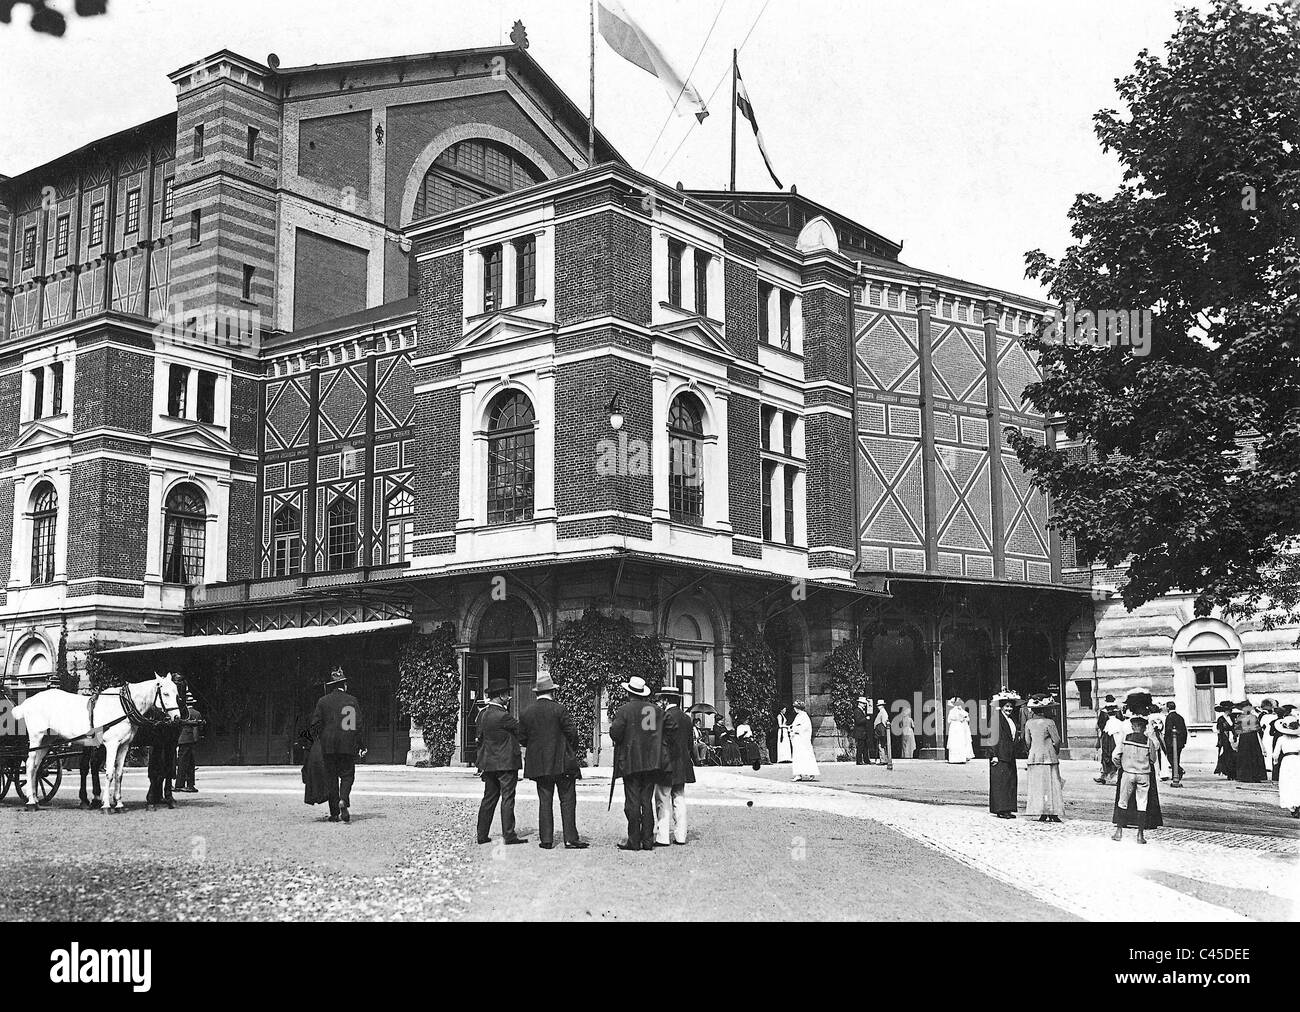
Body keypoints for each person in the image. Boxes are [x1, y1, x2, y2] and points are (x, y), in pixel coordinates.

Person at [518, 673, 586, 850]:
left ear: (537, 693)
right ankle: (570, 839)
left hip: (539, 764)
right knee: (567, 800)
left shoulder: (526, 712)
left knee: (544, 801)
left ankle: (546, 840)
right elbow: (573, 734)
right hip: (562, 762)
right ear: (552, 692)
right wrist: (568, 748)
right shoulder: (560, 709)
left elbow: (522, 738)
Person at [609, 675, 666, 851]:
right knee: (646, 801)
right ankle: (648, 840)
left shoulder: (624, 710)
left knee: (632, 802)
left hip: (631, 762)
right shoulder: (655, 710)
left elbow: (616, 734)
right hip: (651, 762)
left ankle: (634, 840)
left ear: (629, 693)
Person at [475, 678, 527, 845]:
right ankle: (509, 835)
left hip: (488, 763)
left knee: (489, 798)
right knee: (507, 798)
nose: (509, 697)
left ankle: (482, 835)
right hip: (505, 763)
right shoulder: (504, 716)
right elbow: (522, 732)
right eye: (507, 694)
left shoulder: (483, 714)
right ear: (501, 696)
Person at [310, 667, 366, 823]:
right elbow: (358, 725)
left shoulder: (322, 701)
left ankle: (334, 813)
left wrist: (318, 740)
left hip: (328, 747)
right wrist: (361, 745)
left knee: (331, 778)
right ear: (345, 685)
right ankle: (343, 799)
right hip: (347, 746)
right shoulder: (352, 701)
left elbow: (315, 725)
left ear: (331, 685)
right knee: (347, 775)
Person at [1112, 709, 1162, 844]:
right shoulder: (1148, 741)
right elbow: (1153, 759)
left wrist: (1121, 766)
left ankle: (1119, 831)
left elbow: (1115, 756)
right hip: (1143, 774)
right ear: (1144, 728)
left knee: (1123, 801)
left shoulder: (1125, 739)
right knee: (1142, 802)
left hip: (1128, 773)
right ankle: (1140, 835)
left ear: (1133, 727)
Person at [654, 684, 696, 846]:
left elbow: (660, 743)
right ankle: (681, 836)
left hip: (666, 765)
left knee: (662, 799)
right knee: (679, 799)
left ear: (665, 700)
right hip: (682, 764)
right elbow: (690, 744)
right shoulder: (686, 718)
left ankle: (663, 837)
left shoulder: (663, 717)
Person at [1023, 694, 1063, 823]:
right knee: (1051, 785)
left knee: (1038, 786)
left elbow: (1027, 741)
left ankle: (1041, 811)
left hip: (1034, 757)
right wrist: (1055, 750)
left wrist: (1033, 749)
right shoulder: (1049, 722)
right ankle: (1052, 812)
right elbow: (1056, 740)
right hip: (1048, 757)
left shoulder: (1029, 723)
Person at [988, 691, 1020, 818]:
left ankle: (1008, 808)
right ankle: (1000, 809)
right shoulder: (996, 718)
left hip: (1009, 754)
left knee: (1009, 782)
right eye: (1006, 706)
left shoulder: (1010, 719)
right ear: (1001, 707)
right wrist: (993, 754)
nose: (1009, 709)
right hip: (999, 754)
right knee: (1000, 783)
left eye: (1011, 706)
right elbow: (991, 737)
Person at [1269, 714, 1300, 817]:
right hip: (1297, 760)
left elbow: (1275, 754)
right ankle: (1298, 803)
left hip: (1287, 761)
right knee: (1297, 782)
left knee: (1287, 783)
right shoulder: (1299, 739)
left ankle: (1292, 806)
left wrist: (1275, 762)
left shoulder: (1281, 739)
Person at [175, 691, 204, 793]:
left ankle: (180, 784)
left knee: (182, 762)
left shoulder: (181, 713)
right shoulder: (196, 713)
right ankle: (188, 784)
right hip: (190, 739)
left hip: (181, 739)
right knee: (190, 763)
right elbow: (198, 728)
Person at [1234, 700, 1266, 783]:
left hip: (1252, 737)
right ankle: (1245, 776)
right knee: (1245, 756)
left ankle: (1254, 776)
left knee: (1253, 756)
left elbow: (1258, 728)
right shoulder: (1240, 717)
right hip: (1245, 737)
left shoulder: (1253, 717)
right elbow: (1237, 729)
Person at [788, 699, 819, 782]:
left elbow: (804, 728)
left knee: (804, 756)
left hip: (802, 740)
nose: (794, 709)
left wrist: (795, 729)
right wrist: (792, 728)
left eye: (795, 707)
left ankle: (808, 773)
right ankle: (799, 773)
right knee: (799, 756)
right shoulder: (799, 716)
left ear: (798, 708)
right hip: (798, 740)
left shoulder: (804, 716)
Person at [1094, 703, 1125, 784]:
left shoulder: (1108, 721)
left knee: (1109, 758)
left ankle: (1108, 777)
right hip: (1116, 741)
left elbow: (1102, 728)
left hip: (1112, 742)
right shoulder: (1119, 721)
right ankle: (1105, 776)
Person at [1162, 700, 1187, 788]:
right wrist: (1184, 741)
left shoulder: (1169, 717)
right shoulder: (1180, 717)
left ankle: (1179, 770)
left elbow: (1168, 730)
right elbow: (1184, 730)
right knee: (1177, 758)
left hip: (1171, 742)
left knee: (1170, 757)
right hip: (1179, 742)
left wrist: (1165, 741)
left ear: (1168, 708)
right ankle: (1175, 774)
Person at [1213, 700, 1237, 780]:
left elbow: (1235, 727)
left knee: (1233, 755)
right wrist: (1220, 742)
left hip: (1232, 738)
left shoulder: (1232, 718)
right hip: (1225, 739)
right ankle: (1228, 773)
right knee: (1227, 756)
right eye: (1229, 709)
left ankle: (1233, 773)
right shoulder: (1221, 719)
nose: (1231, 711)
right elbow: (1219, 731)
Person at [946, 698, 974, 764]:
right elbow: (949, 720)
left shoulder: (961, 711)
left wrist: (963, 718)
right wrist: (960, 719)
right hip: (955, 727)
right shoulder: (952, 711)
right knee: (955, 742)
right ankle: (954, 759)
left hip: (959, 727)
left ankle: (961, 758)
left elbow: (967, 718)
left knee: (960, 741)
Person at [1259, 699, 1278, 781]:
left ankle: (1267, 765)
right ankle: (1272, 765)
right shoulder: (1275, 716)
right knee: (1272, 748)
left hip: (1267, 733)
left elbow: (1261, 725)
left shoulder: (1264, 716)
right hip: (1273, 734)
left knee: (1266, 747)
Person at [873, 699, 894, 770]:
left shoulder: (883, 712)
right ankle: (884, 759)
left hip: (881, 731)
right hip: (881, 731)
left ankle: (883, 759)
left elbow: (884, 722)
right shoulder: (882, 712)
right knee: (882, 745)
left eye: (879, 705)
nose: (878, 707)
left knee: (881, 745)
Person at [852, 697, 872, 764]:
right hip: (860, 732)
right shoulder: (857, 711)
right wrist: (866, 718)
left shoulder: (861, 710)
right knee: (860, 747)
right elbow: (858, 721)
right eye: (863, 703)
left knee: (865, 747)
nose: (865, 705)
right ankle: (859, 761)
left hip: (863, 732)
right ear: (860, 703)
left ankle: (866, 760)